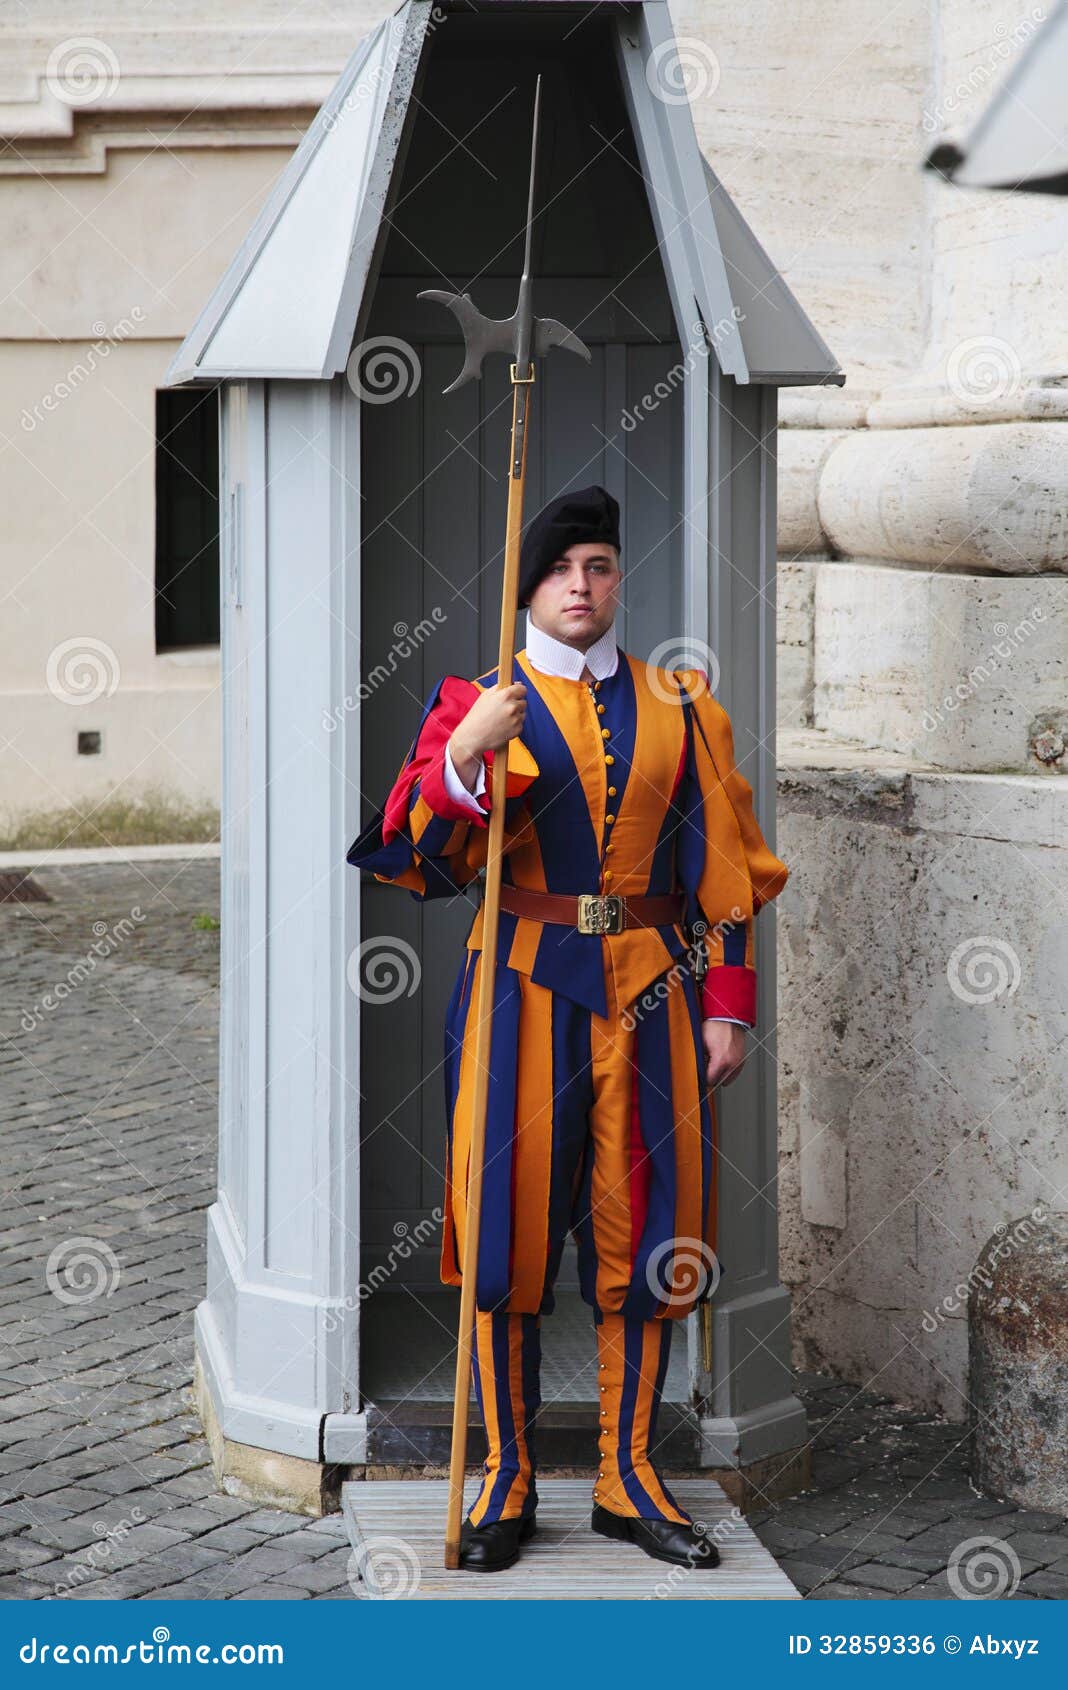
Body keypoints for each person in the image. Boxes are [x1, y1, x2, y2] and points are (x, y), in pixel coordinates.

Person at [347, 485, 788, 1573]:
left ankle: (626, 1476)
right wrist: (463, 764)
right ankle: (502, 1477)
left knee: (650, 1235)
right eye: (559, 571)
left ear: (616, 577)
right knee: (504, 1231)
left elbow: (722, 873)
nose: (580, 587)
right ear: (528, 589)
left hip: (655, 996)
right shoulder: (476, 706)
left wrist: (728, 1006)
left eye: (597, 565)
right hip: (518, 988)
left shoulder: (681, 706)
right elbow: (411, 860)